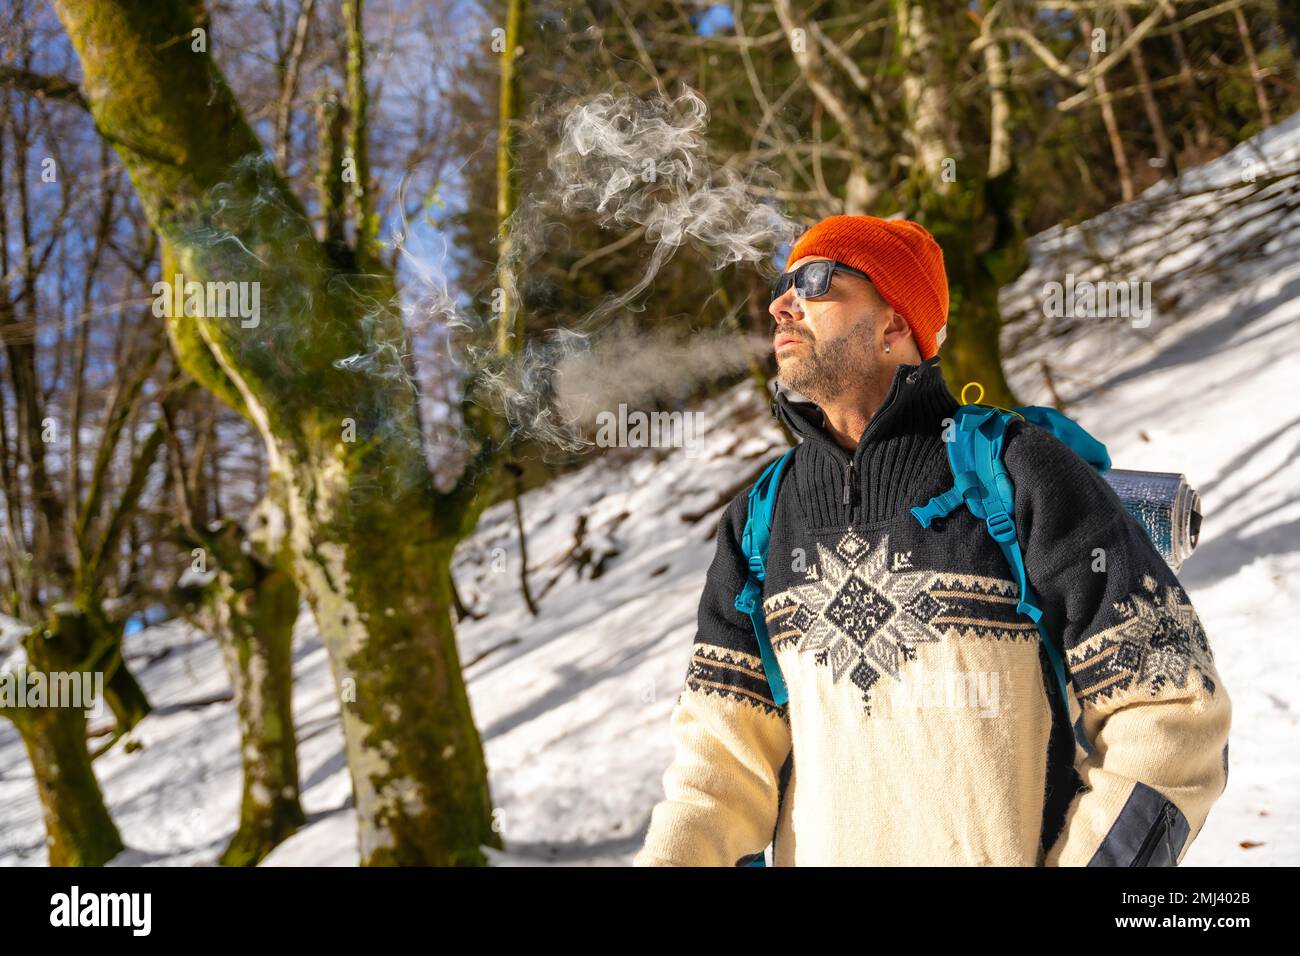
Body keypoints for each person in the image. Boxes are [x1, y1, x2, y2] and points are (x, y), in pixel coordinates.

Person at [633, 214, 1231, 866]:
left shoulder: (1022, 474)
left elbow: (1174, 706)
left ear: (895, 323)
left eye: (816, 281)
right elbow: (719, 767)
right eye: (783, 283)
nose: (783, 303)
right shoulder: (761, 518)